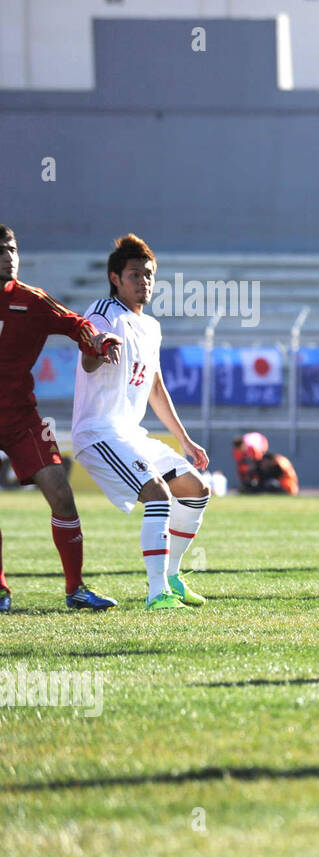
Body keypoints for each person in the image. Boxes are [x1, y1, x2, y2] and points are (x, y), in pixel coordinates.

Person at [72, 234, 211, 610]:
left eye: (148, 274)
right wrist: (99, 350)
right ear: (115, 278)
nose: (144, 281)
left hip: (131, 434)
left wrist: (185, 441)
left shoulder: (150, 327)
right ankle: (156, 594)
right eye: (135, 274)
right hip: (98, 433)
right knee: (158, 497)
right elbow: (87, 359)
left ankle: (172, 577)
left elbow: (156, 387)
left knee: (196, 489)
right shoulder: (102, 312)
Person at [0, 224, 121, 612]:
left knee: (61, 494)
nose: (9, 257)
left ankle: (76, 590)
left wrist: (99, 341)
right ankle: (0, 589)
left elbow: (76, 324)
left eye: (13, 249)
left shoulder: (31, 301)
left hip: (20, 418)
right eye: (1, 250)